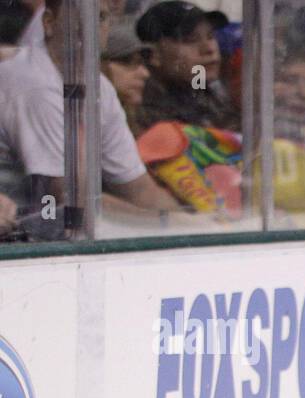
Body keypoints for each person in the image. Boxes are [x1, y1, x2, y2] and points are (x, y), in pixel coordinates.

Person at [0, 0, 174, 234]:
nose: (88, 28)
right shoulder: (35, 84)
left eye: (100, 18)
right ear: (49, 23)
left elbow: (139, 189)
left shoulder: (100, 88)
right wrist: (165, 223)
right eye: (77, 17)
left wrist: (196, 222)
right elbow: (70, 200)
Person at [134, 0, 238, 132]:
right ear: (154, 55)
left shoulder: (207, 92)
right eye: (191, 40)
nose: (209, 49)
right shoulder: (143, 110)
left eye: (210, 36)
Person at [100, 20, 151, 135]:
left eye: (143, 63)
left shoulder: (142, 119)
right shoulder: (86, 121)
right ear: (100, 65)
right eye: (128, 61)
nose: (145, 73)